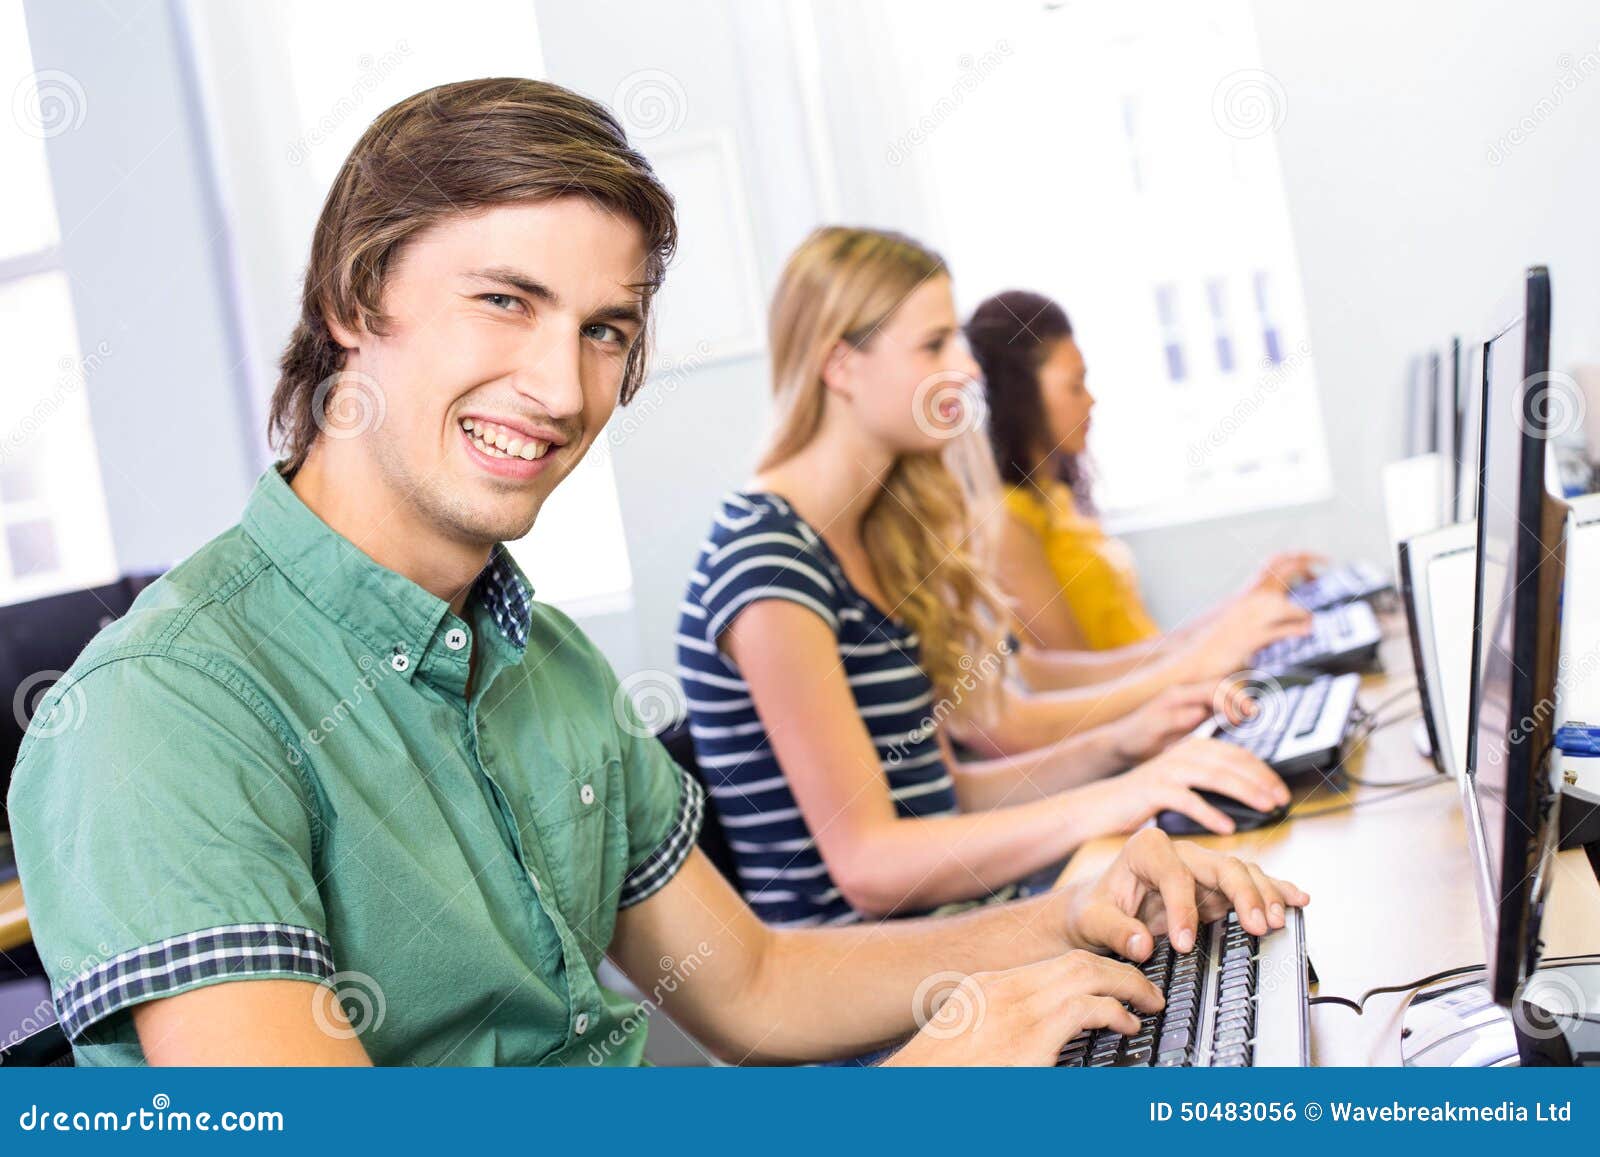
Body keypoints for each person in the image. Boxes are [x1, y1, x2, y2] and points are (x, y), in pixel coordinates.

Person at [8, 80, 1304, 1068]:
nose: (561, 386)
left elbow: (748, 984)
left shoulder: (549, 661)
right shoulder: (163, 714)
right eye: (505, 302)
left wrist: (1066, 917)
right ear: (356, 301)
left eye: (604, 330)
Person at [677, 227, 1292, 930]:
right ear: (842, 365)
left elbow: (944, 795)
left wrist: (1121, 748)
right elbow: (870, 865)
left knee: (1236, 909)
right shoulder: (768, 563)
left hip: (966, 931)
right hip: (880, 1002)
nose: (967, 369)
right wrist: (1115, 795)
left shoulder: (877, 533)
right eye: (934, 344)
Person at [966, 290, 1321, 656]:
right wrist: (1219, 640)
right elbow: (1079, 675)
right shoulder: (1007, 521)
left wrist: (1245, 605)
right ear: (1021, 398)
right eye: (1075, 385)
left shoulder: (1056, 498)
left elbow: (1147, 651)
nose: (1090, 400)